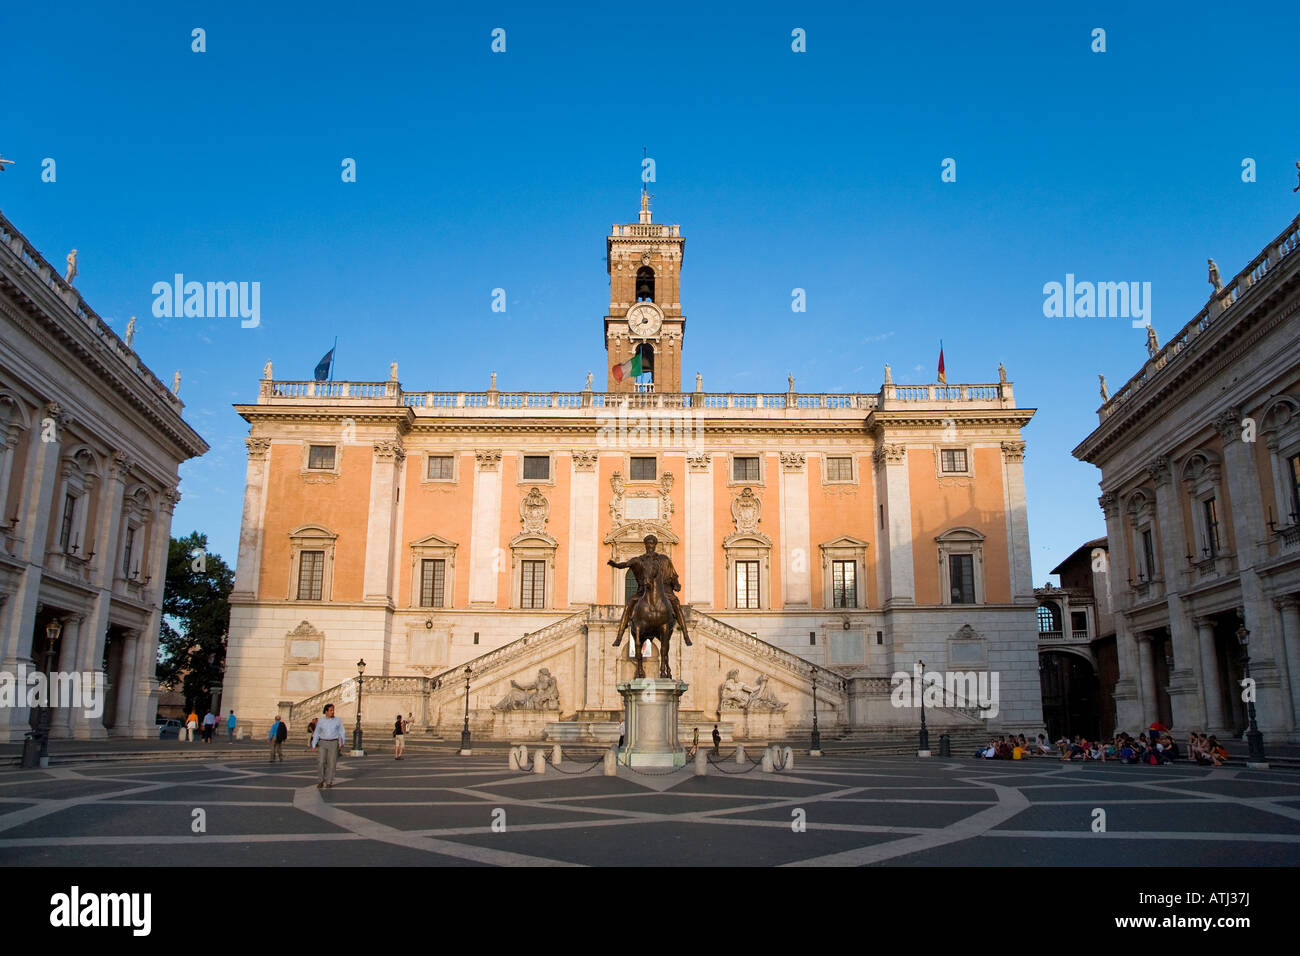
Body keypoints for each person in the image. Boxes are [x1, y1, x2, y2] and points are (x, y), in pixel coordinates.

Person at [311, 703, 346, 788]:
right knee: (321, 762)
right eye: (331, 710)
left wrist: (342, 742)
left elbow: (342, 731)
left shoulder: (337, 720)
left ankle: (329, 781)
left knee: (332, 763)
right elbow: (317, 732)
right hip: (323, 742)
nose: (332, 712)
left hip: (333, 743)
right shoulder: (321, 721)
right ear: (326, 711)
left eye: (333, 710)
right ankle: (320, 780)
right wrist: (314, 744)